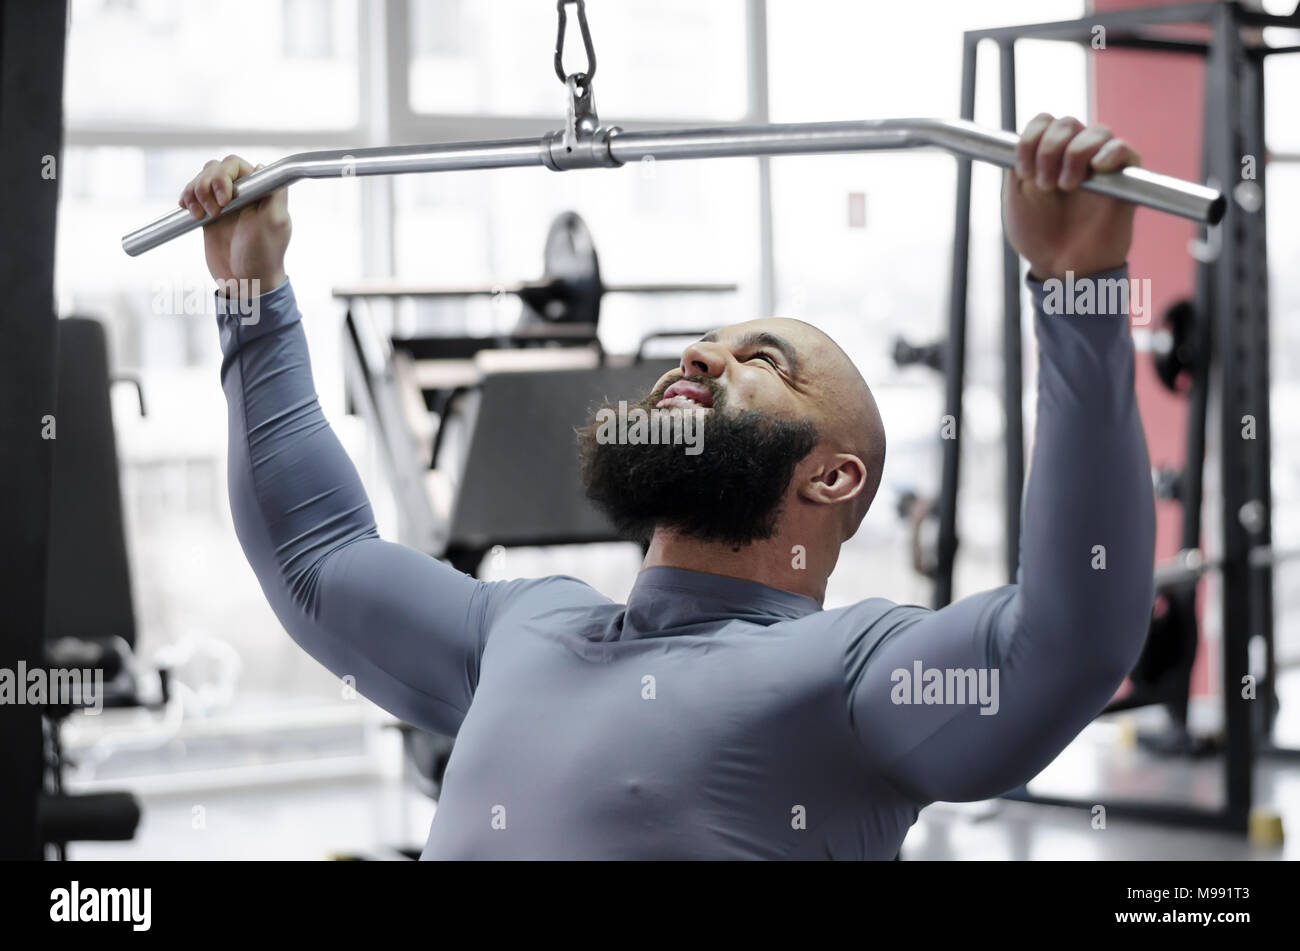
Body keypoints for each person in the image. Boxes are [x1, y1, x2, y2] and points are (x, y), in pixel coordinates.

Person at [181, 114, 1155, 859]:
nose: (698, 353)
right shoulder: (520, 628)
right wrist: (248, 296)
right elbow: (317, 559)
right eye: (710, 342)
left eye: (761, 358)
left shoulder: (848, 673)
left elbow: (1068, 640)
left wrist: (1078, 295)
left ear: (833, 474)